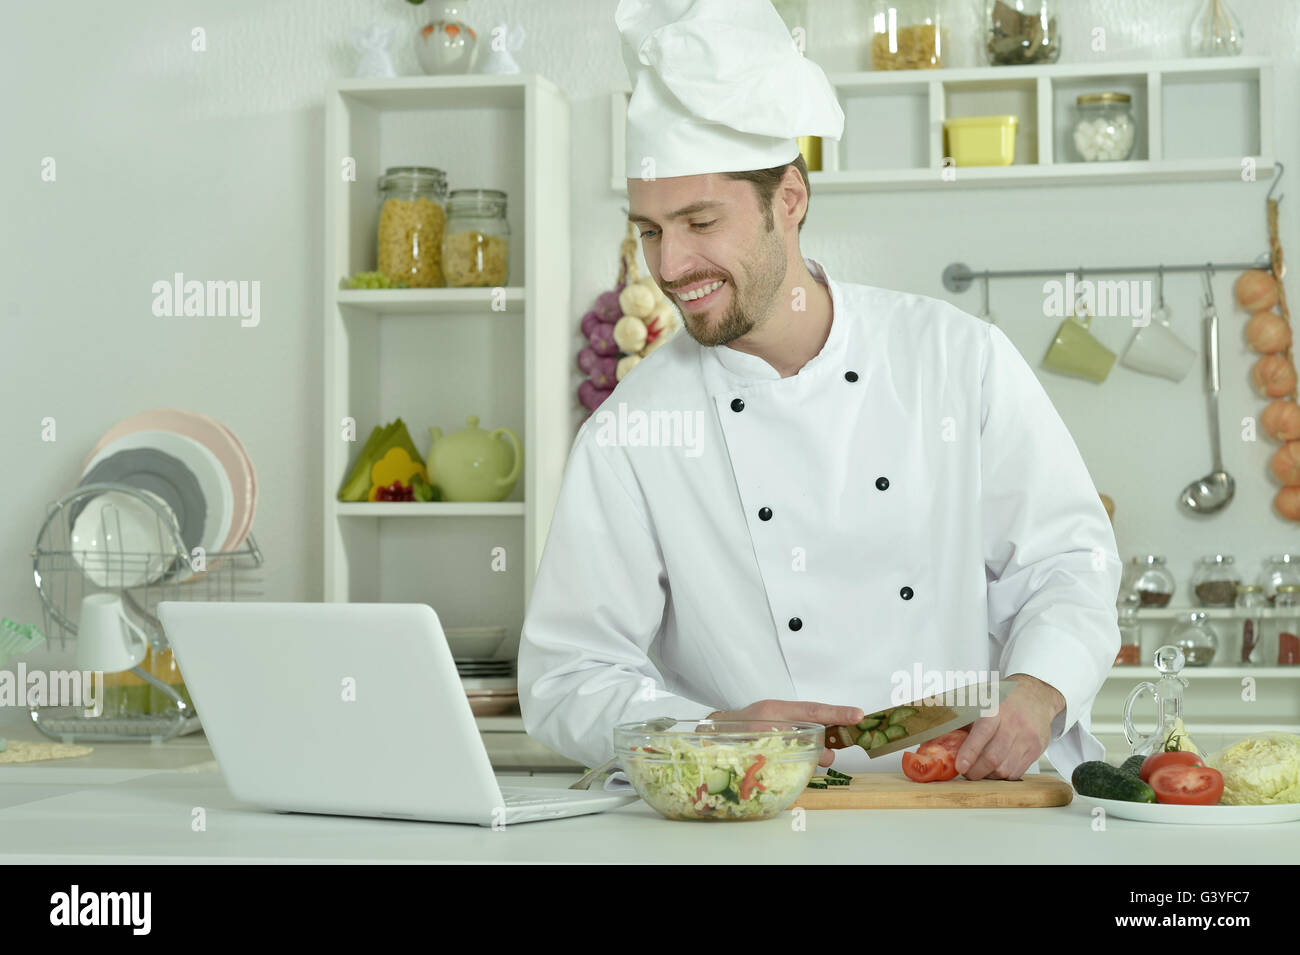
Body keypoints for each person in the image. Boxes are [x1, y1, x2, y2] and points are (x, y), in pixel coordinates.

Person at [518, 0, 1121, 779]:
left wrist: (1039, 690)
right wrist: (712, 731)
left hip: (962, 805)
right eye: (651, 230)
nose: (669, 267)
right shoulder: (632, 433)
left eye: (701, 222)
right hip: (756, 824)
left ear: (790, 200)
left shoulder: (955, 360)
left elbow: (1067, 558)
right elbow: (568, 677)